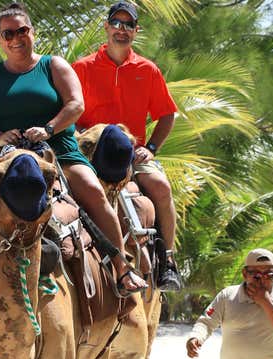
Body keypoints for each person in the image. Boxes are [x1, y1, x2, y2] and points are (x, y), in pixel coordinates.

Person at [0, 2, 148, 296]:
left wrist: (49, 129)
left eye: (22, 30)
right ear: (0, 40)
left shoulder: (53, 65)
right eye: (9, 33)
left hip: (57, 152)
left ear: (33, 32)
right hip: (1, 160)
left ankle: (121, 267)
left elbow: (75, 104)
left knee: (92, 191)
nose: (17, 38)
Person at [72, 1, 182, 291]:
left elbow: (167, 114)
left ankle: (167, 261)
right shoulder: (81, 68)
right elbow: (68, 110)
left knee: (161, 187)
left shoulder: (148, 70)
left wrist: (153, 148)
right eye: (116, 24)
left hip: (132, 154)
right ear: (106, 27)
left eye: (128, 25)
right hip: (89, 152)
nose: (122, 30)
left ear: (136, 31)